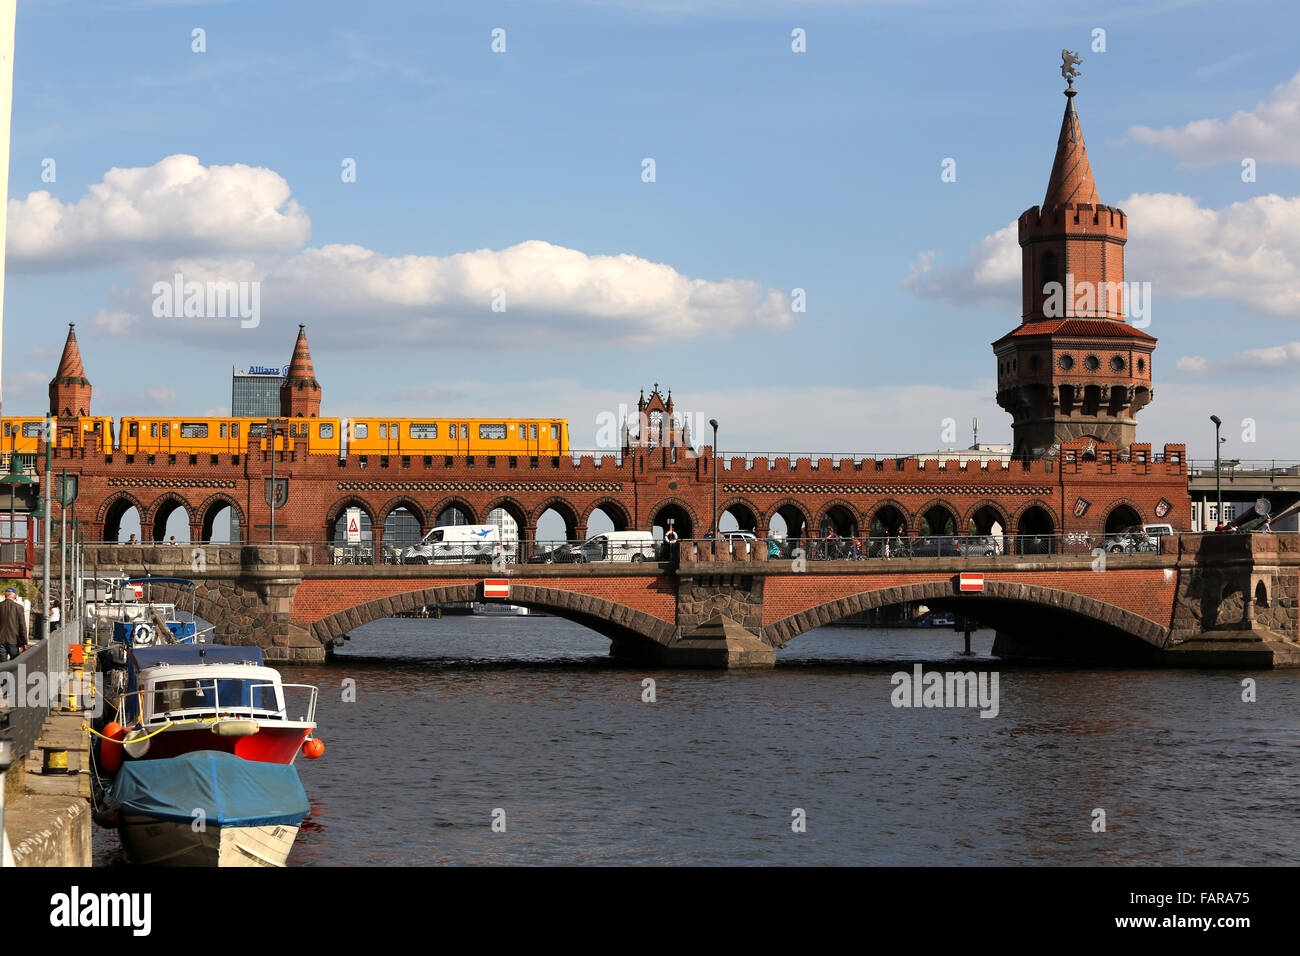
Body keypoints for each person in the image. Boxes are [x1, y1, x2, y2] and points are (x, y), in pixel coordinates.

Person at [0, 587, 28, 661]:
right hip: (14, 641)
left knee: (2, 666)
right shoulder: (19, 607)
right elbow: (22, 626)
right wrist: (24, 642)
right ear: (14, 596)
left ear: (5, 595)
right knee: (14, 664)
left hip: (0, 641)